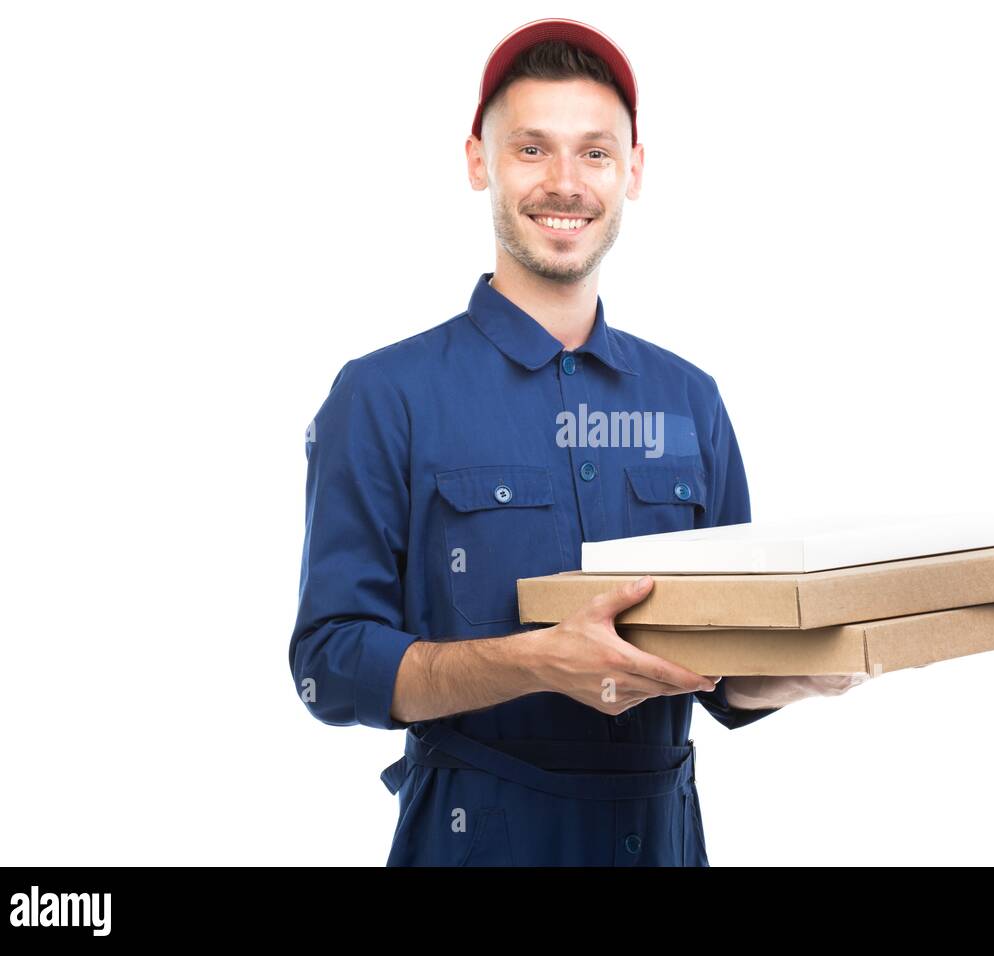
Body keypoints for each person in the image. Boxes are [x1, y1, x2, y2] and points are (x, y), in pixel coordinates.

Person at [288, 17, 866, 867]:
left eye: (595, 153)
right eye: (531, 149)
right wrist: (533, 662)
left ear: (633, 170)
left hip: (664, 841)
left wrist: (824, 665)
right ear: (479, 160)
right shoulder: (383, 395)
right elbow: (330, 664)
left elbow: (732, 672)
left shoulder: (689, 399)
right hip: (476, 841)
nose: (566, 183)